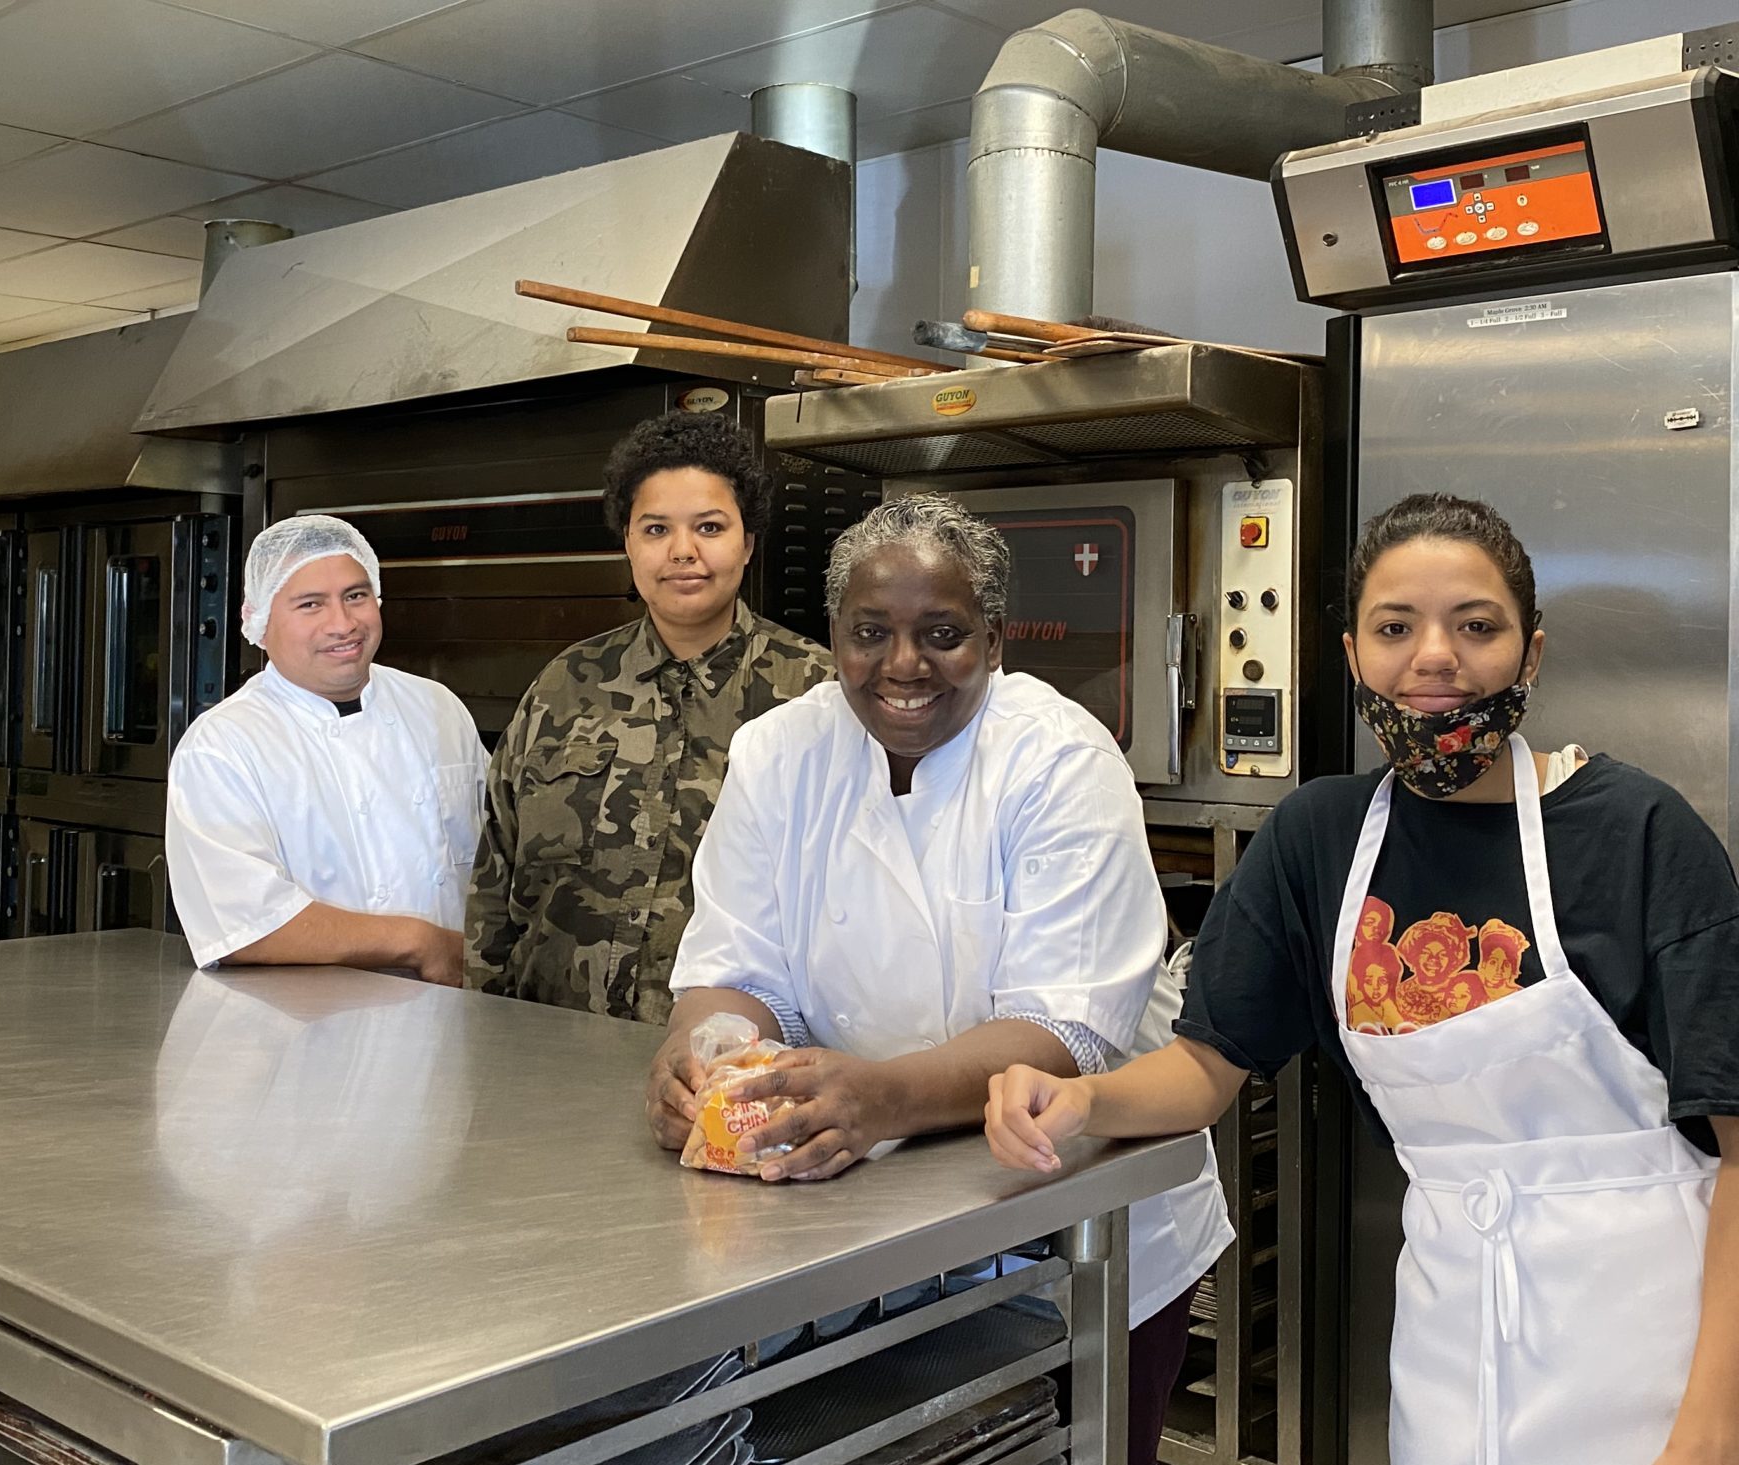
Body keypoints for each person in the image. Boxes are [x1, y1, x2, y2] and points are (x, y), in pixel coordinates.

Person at [987, 494, 1739, 1465]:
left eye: (1477, 625)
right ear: (1350, 656)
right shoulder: (1320, 839)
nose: (1434, 657)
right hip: (1448, 1334)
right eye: (1395, 627)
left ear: (1532, 653)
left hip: (1656, 1341)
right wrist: (1077, 1097)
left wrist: (1712, 1427)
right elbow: (1203, 1068)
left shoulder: (1635, 830)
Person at [646, 493, 1231, 1465]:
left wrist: (879, 1097)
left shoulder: (1060, 763)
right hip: (864, 1225)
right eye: (869, 633)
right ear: (833, 637)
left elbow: (1060, 1032)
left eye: (942, 634)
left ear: (994, 641)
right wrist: (702, 1051)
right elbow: (731, 968)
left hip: (1073, 1224)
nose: (903, 664)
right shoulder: (778, 754)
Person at [465, 410, 831, 1021]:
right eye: (656, 528)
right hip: (544, 1053)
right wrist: (480, 1025)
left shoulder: (816, 694)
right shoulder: (565, 684)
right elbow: (493, 882)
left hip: (726, 1074)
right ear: (628, 543)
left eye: (710, 527)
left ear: (748, 543)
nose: (682, 552)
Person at [165, 515, 484, 979]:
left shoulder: (436, 707)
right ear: (259, 620)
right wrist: (420, 944)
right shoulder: (223, 745)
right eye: (311, 604)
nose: (343, 624)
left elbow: (499, 857)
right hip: (311, 1029)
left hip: (452, 1019)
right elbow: (247, 927)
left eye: (355, 596)